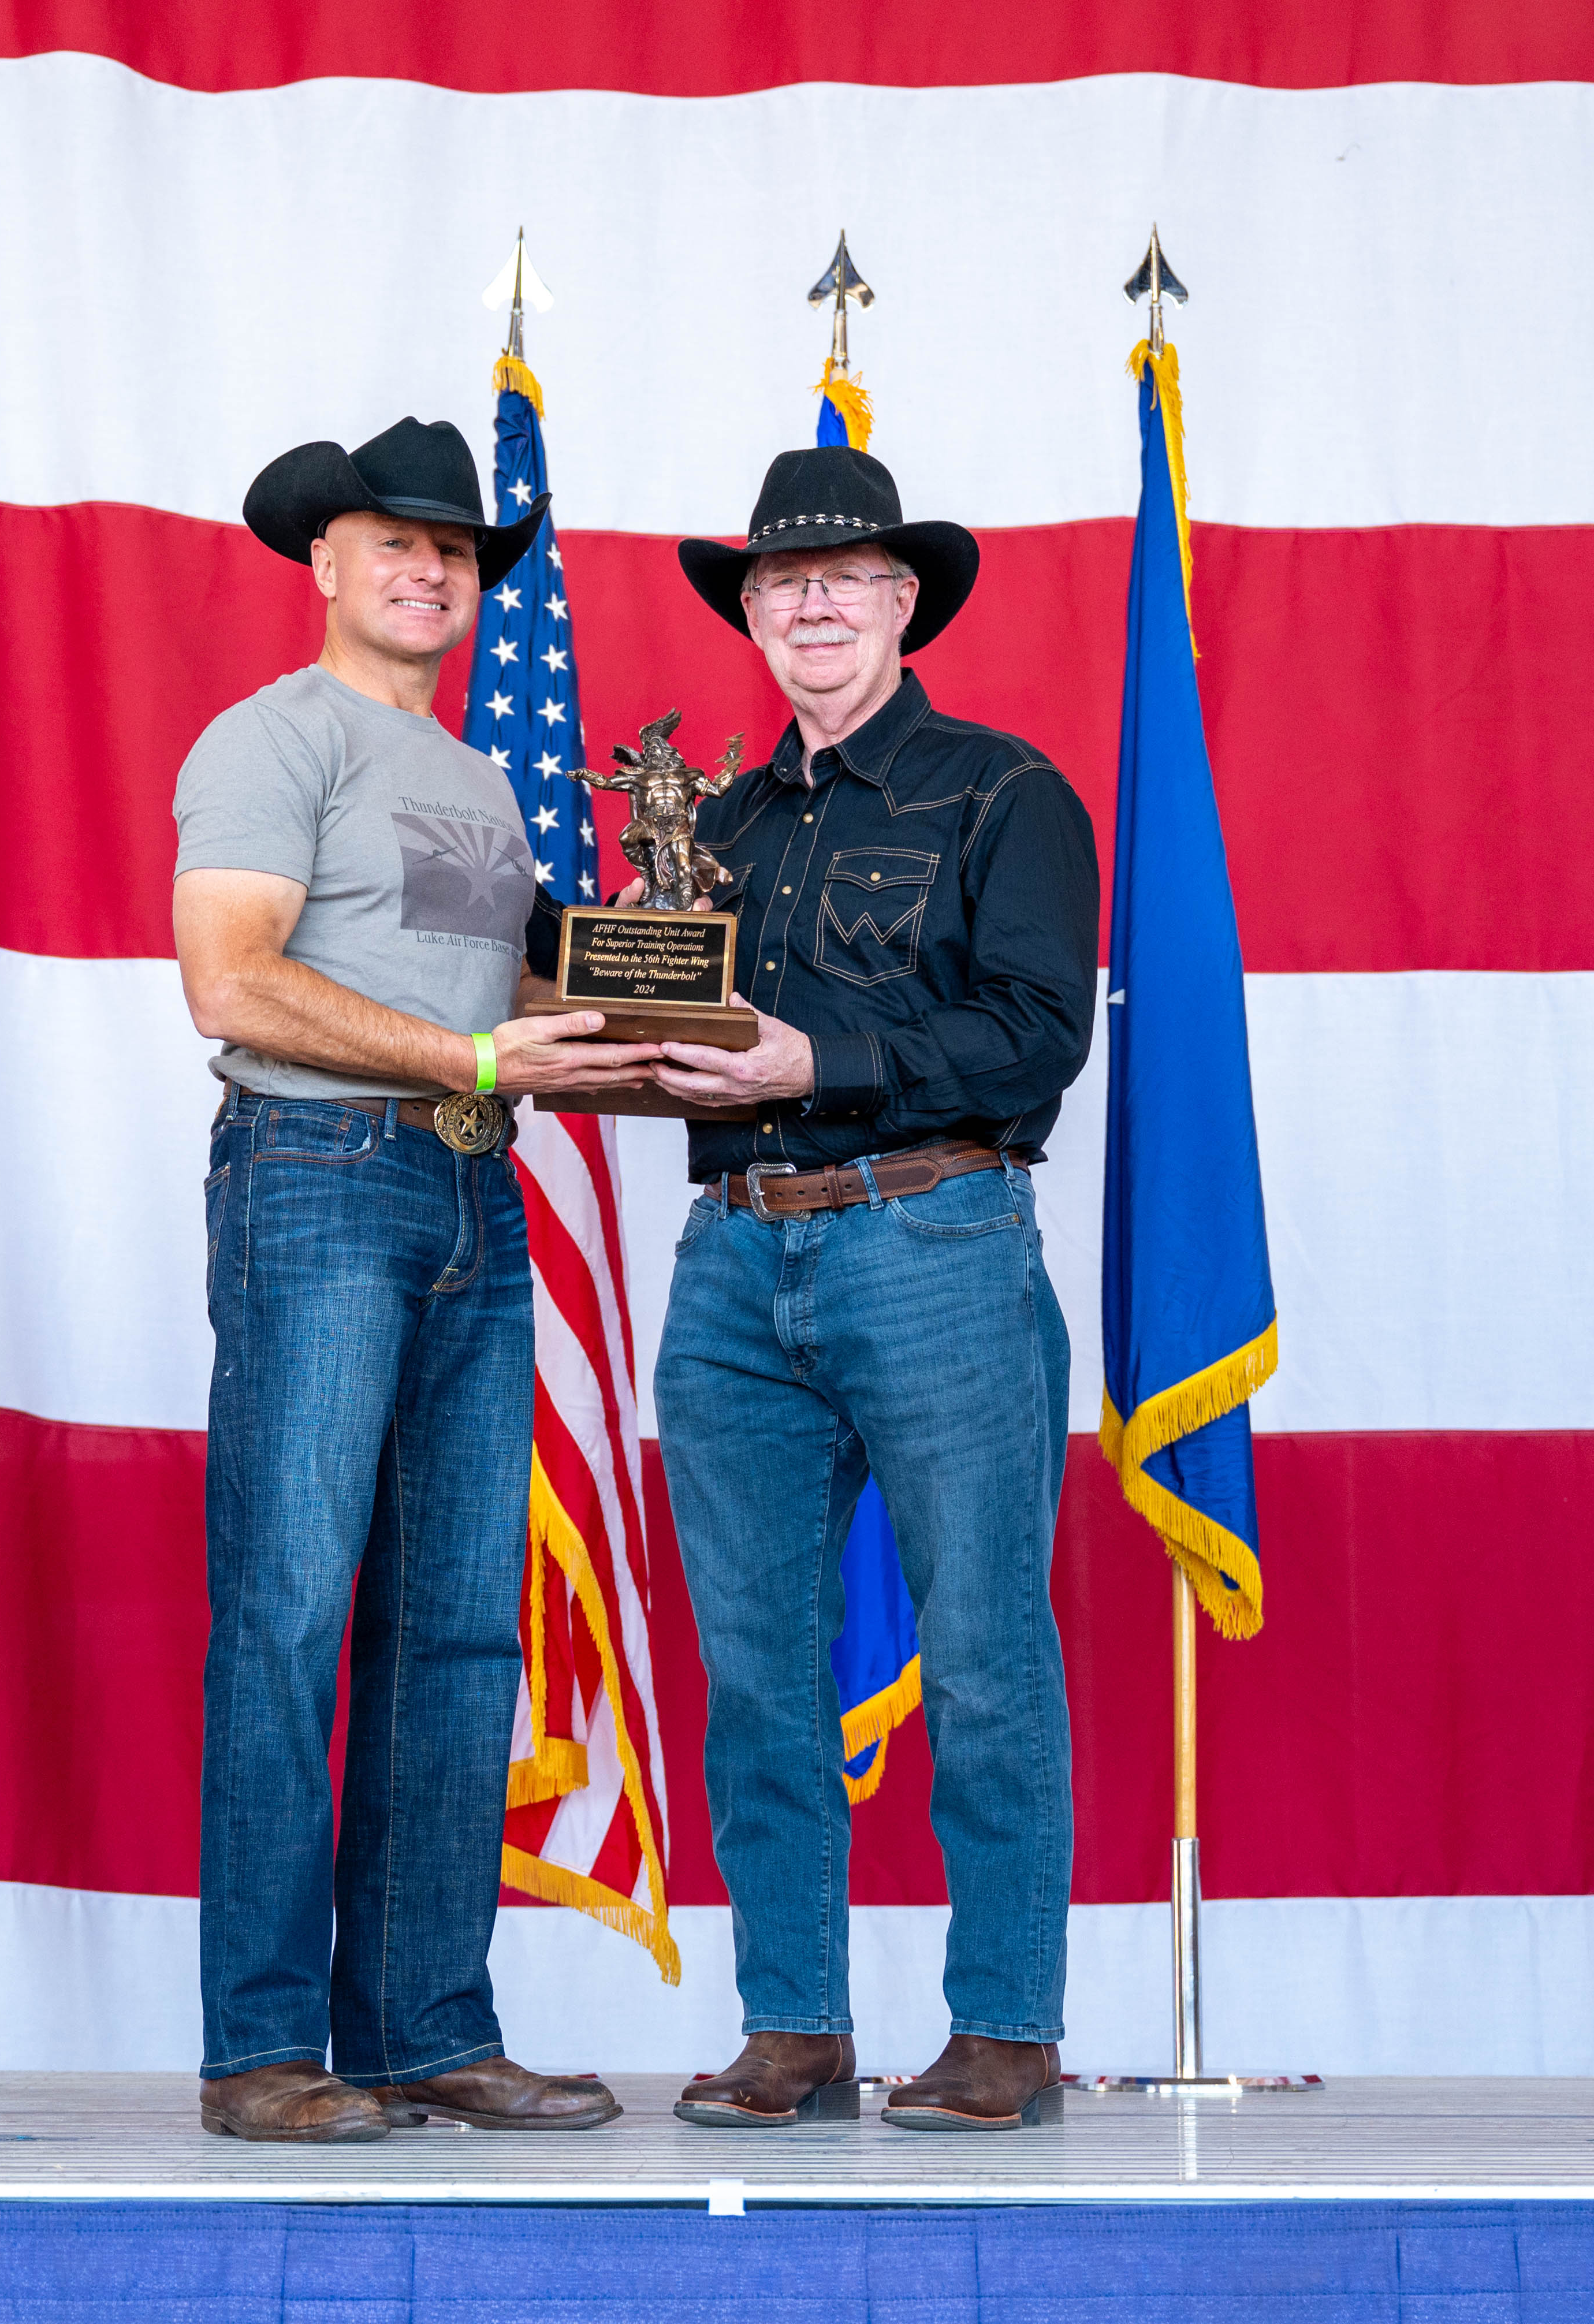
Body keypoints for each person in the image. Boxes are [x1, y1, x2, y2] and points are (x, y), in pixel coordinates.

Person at [172, 418, 658, 2141]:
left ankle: (423, 2027)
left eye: (458, 551)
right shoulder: (267, 740)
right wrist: (469, 1056)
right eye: (399, 541)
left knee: (456, 1630)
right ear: (325, 563)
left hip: (475, 1192)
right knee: (294, 1608)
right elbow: (230, 986)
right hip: (319, 1179)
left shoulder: (482, 778)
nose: (434, 569)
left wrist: (678, 1008)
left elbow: (537, 993)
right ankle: (261, 2050)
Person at [645, 445, 1100, 2132]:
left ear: (907, 603)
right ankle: (795, 2023)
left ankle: (1006, 2027)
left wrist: (809, 1057)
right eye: (781, 582)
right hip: (731, 1261)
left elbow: (1040, 1035)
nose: (813, 602)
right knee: (756, 1665)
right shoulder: (713, 826)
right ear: (751, 615)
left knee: (985, 1647)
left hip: (933, 1240)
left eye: (846, 577)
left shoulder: (1002, 793)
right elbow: (670, 1022)